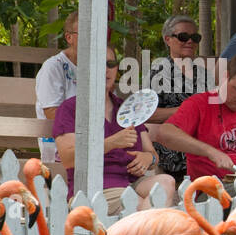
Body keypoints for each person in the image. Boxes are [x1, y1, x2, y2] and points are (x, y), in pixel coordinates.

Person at [51, 47, 177, 213]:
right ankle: (142, 232)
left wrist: (148, 158)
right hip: (94, 189)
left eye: (110, 64)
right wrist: (111, 143)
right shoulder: (71, 108)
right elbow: (68, 158)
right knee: (143, 207)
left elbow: (152, 154)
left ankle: (139, 232)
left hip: (131, 184)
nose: (105, 70)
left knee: (166, 182)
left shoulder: (127, 107)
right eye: (98, 64)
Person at [155, 52, 236, 183]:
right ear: (225, 77)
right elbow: (164, 133)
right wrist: (210, 151)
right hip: (210, 188)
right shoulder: (199, 104)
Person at [148, 14, 204, 183]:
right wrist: (186, 110)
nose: (190, 42)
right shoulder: (159, 72)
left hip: (202, 149)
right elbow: (147, 114)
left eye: (195, 38)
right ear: (168, 40)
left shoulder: (201, 73)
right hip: (173, 155)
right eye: (183, 37)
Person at [34, 11, 80, 120]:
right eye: (86, 33)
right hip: (58, 134)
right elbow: (52, 114)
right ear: (69, 38)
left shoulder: (101, 67)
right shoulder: (53, 67)